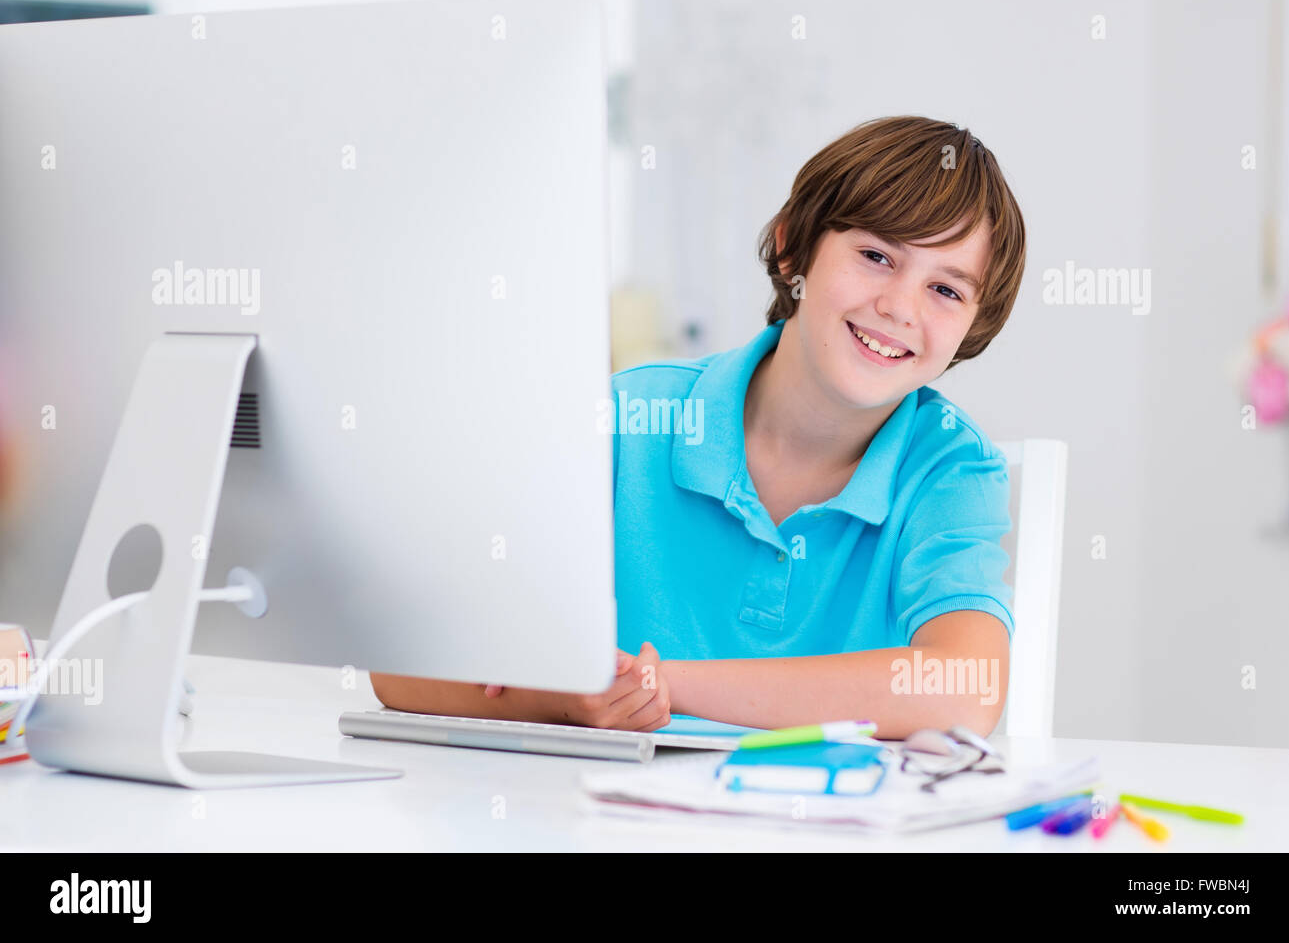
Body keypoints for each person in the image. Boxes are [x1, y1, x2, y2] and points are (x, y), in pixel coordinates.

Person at [371, 115, 1027, 739]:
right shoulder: (630, 422)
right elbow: (403, 663)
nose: (898, 307)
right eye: (877, 256)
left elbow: (963, 688)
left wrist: (664, 685)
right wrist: (572, 697)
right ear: (792, 245)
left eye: (946, 290)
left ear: (974, 324)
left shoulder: (951, 469)